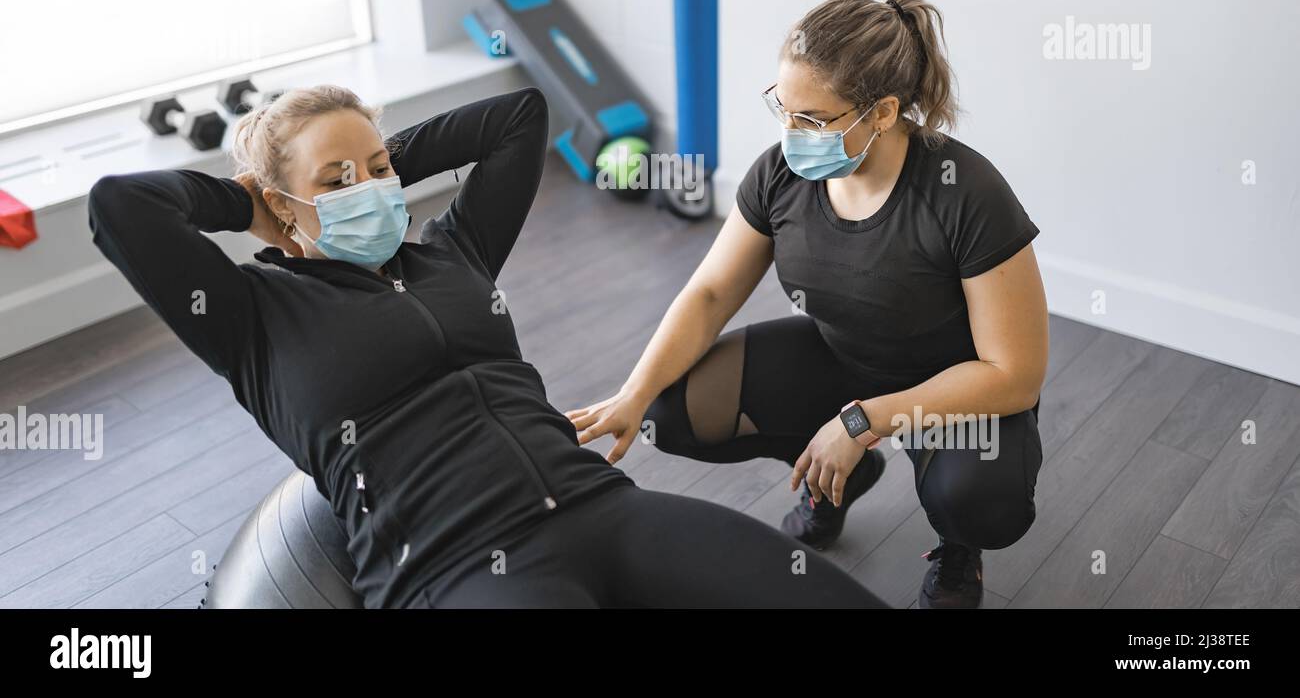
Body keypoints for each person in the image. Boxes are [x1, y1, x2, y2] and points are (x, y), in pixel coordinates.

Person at [87, 83, 887, 608]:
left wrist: (364, 161)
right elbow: (121, 208)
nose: (370, 190)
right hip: (455, 565)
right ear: (281, 205)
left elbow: (518, 119)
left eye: (380, 170)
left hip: (605, 510)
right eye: (336, 182)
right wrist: (248, 203)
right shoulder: (249, 314)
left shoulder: (451, 251)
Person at [567, 0, 1049, 609]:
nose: (792, 135)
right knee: (668, 409)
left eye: (813, 120)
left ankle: (958, 552)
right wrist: (632, 392)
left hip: (955, 392)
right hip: (842, 358)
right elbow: (712, 291)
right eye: (784, 110)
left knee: (981, 503)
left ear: (883, 112)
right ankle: (837, 477)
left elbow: (1015, 374)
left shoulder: (966, 193)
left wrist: (863, 421)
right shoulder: (780, 176)